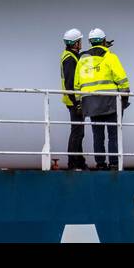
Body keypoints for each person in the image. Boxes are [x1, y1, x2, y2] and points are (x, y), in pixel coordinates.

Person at [75, 28, 130, 170]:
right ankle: (113, 163)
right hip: (110, 102)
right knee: (113, 134)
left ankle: (100, 163)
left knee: (97, 135)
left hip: (90, 103)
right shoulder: (110, 57)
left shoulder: (82, 59)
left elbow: (77, 84)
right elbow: (122, 79)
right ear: (104, 41)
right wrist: (125, 96)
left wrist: (79, 101)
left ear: (89, 42)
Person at [59, 28, 86, 170]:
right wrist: (77, 103)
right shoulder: (70, 59)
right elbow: (70, 84)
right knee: (77, 132)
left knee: (78, 132)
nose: (81, 43)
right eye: (80, 41)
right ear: (75, 43)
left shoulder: (70, 56)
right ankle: (73, 163)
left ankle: (79, 161)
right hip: (74, 102)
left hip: (72, 101)